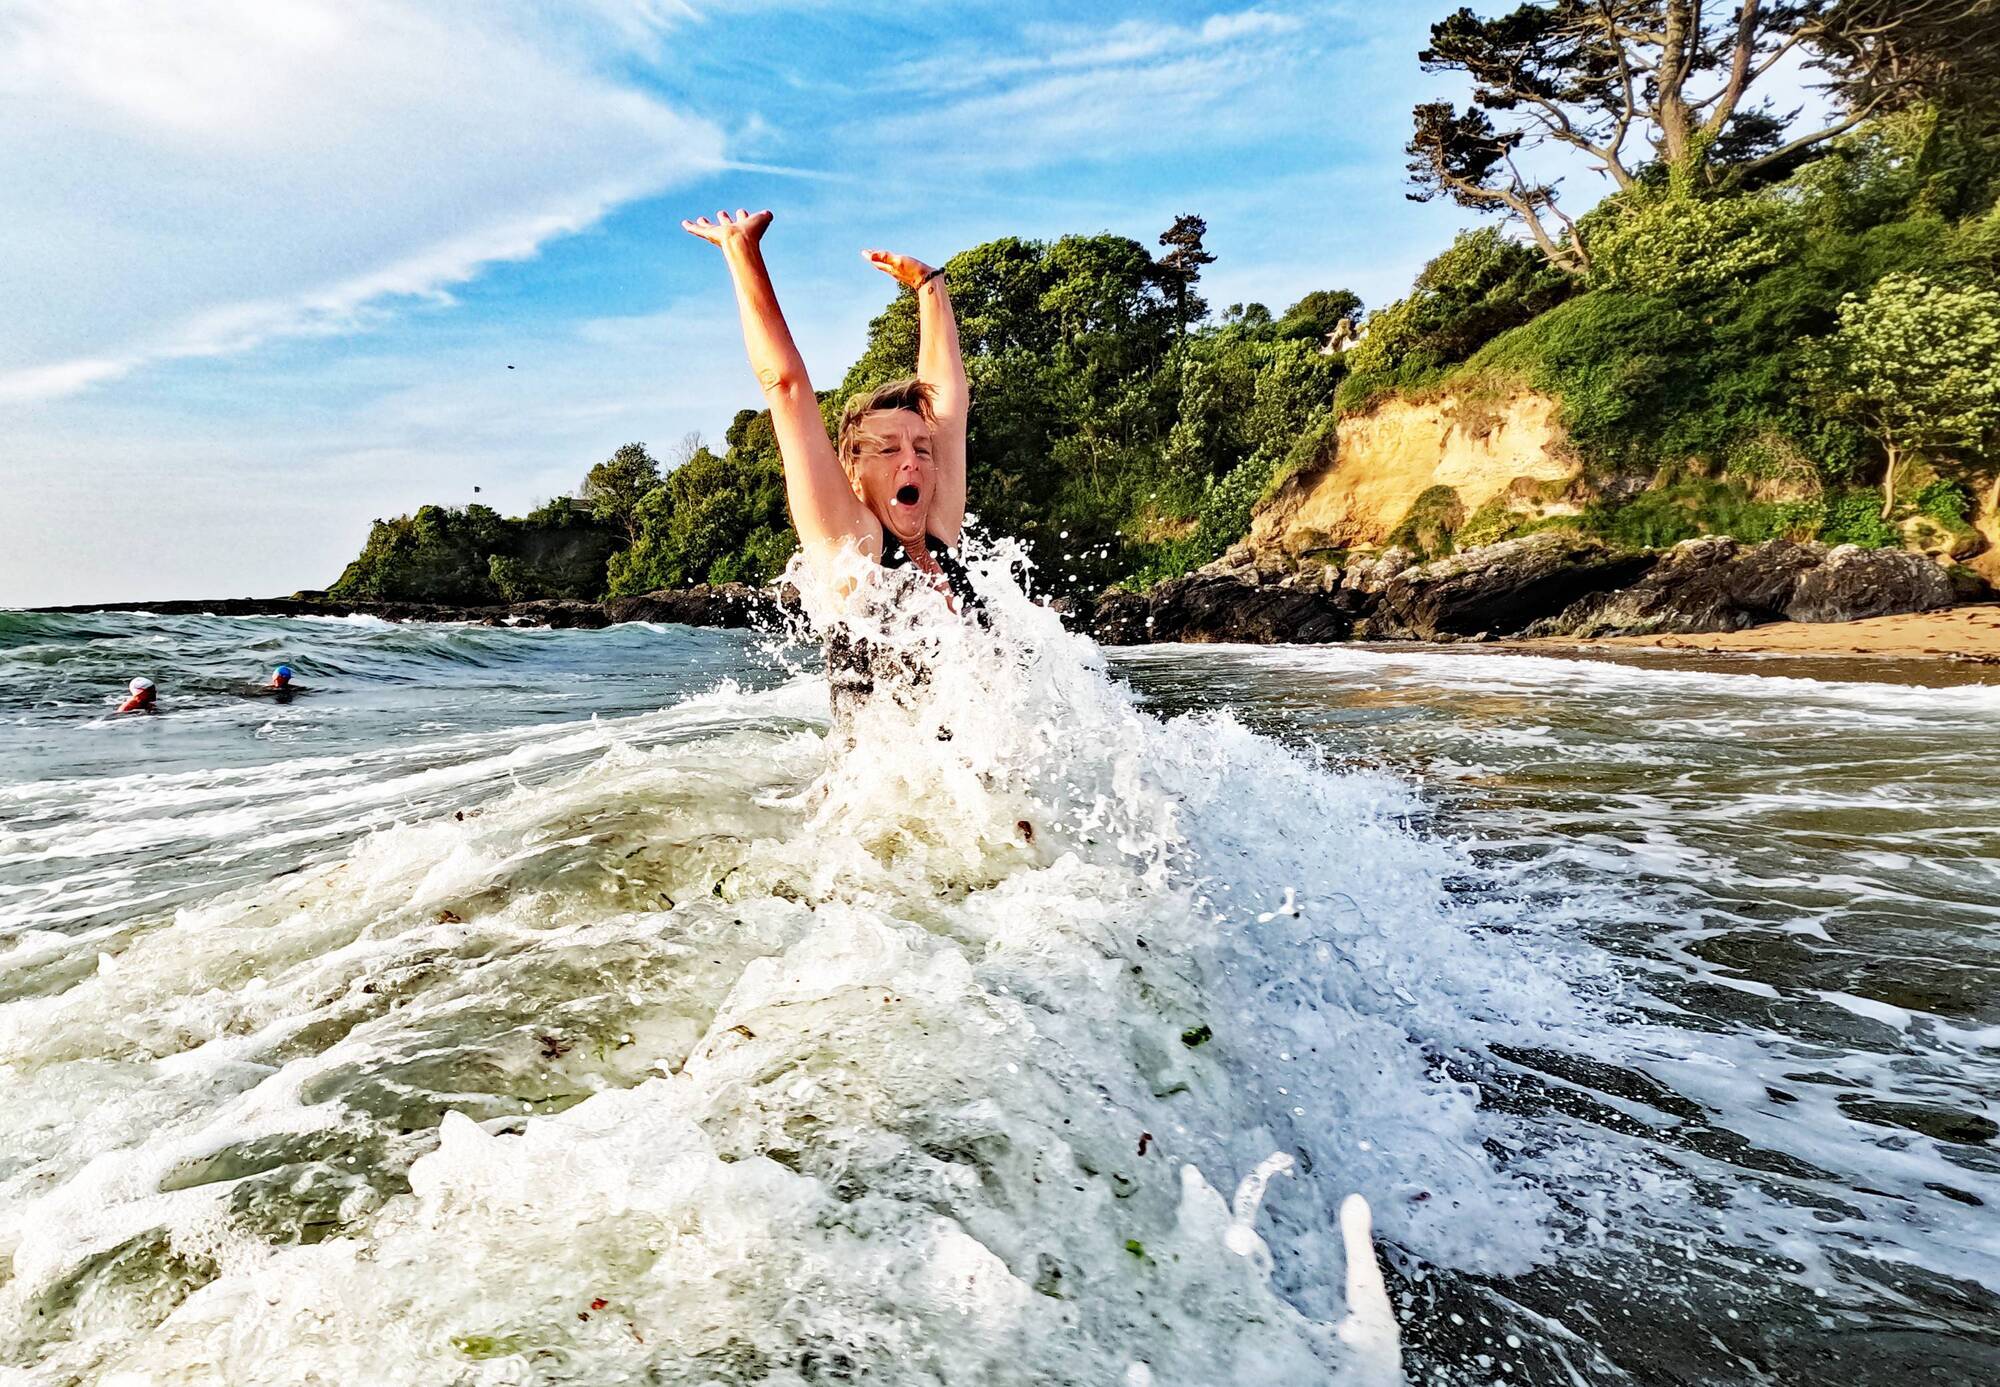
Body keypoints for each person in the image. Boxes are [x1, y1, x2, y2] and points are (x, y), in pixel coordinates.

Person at [682, 209, 976, 710]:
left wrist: (930, 286)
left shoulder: (938, 529)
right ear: (853, 473)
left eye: (920, 450)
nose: (912, 461)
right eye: (888, 449)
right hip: (884, 786)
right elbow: (786, 386)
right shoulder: (854, 545)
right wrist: (742, 253)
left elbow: (948, 406)